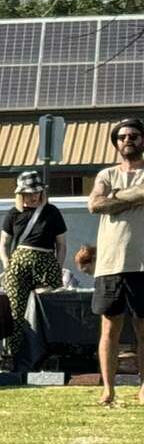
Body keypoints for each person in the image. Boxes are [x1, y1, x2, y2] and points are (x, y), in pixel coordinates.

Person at [88, 117, 144, 406]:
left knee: (142, 329)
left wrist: (115, 199)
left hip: (142, 263)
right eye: (122, 137)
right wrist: (131, 197)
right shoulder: (106, 174)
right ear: (116, 143)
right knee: (110, 328)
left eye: (134, 135)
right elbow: (95, 204)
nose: (128, 140)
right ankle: (108, 389)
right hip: (110, 263)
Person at [0, 171, 67, 368]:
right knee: (15, 311)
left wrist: (58, 267)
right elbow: (4, 243)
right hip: (18, 262)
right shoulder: (13, 213)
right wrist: (7, 264)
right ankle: (13, 358)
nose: (33, 196)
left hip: (47, 261)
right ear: (20, 194)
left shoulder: (52, 212)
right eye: (28, 193)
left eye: (36, 192)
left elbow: (61, 244)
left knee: (50, 310)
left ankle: (50, 357)